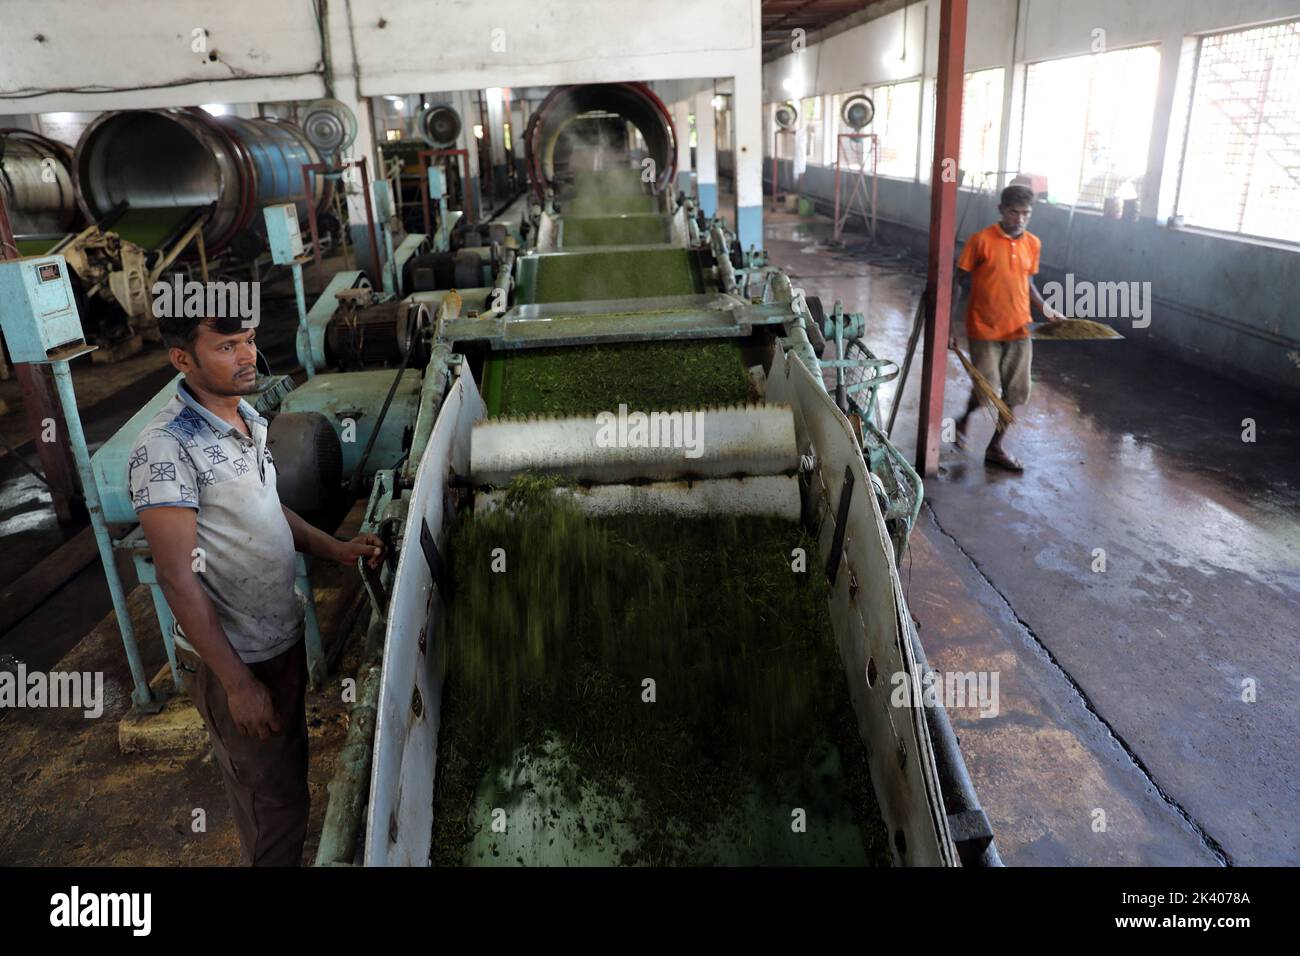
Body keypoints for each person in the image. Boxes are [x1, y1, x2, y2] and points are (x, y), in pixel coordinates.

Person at [129, 309, 383, 866]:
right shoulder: (166, 447)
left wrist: (336, 549)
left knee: (287, 782)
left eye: (247, 342)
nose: (248, 356)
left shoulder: (245, 415)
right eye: (226, 347)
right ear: (182, 359)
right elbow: (175, 574)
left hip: (277, 637)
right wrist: (238, 683)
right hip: (235, 657)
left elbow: (267, 507)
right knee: (271, 805)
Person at [950, 183, 1063, 471]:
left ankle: (995, 447)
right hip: (983, 327)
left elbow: (1028, 282)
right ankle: (964, 419)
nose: (1021, 219)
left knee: (1016, 392)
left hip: (1019, 329)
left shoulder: (1033, 244)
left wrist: (1044, 308)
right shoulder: (981, 241)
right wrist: (948, 325)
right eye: (1014, 213)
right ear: (1001, 210)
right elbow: (958, 281)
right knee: (986, 386)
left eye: (1026, 213)